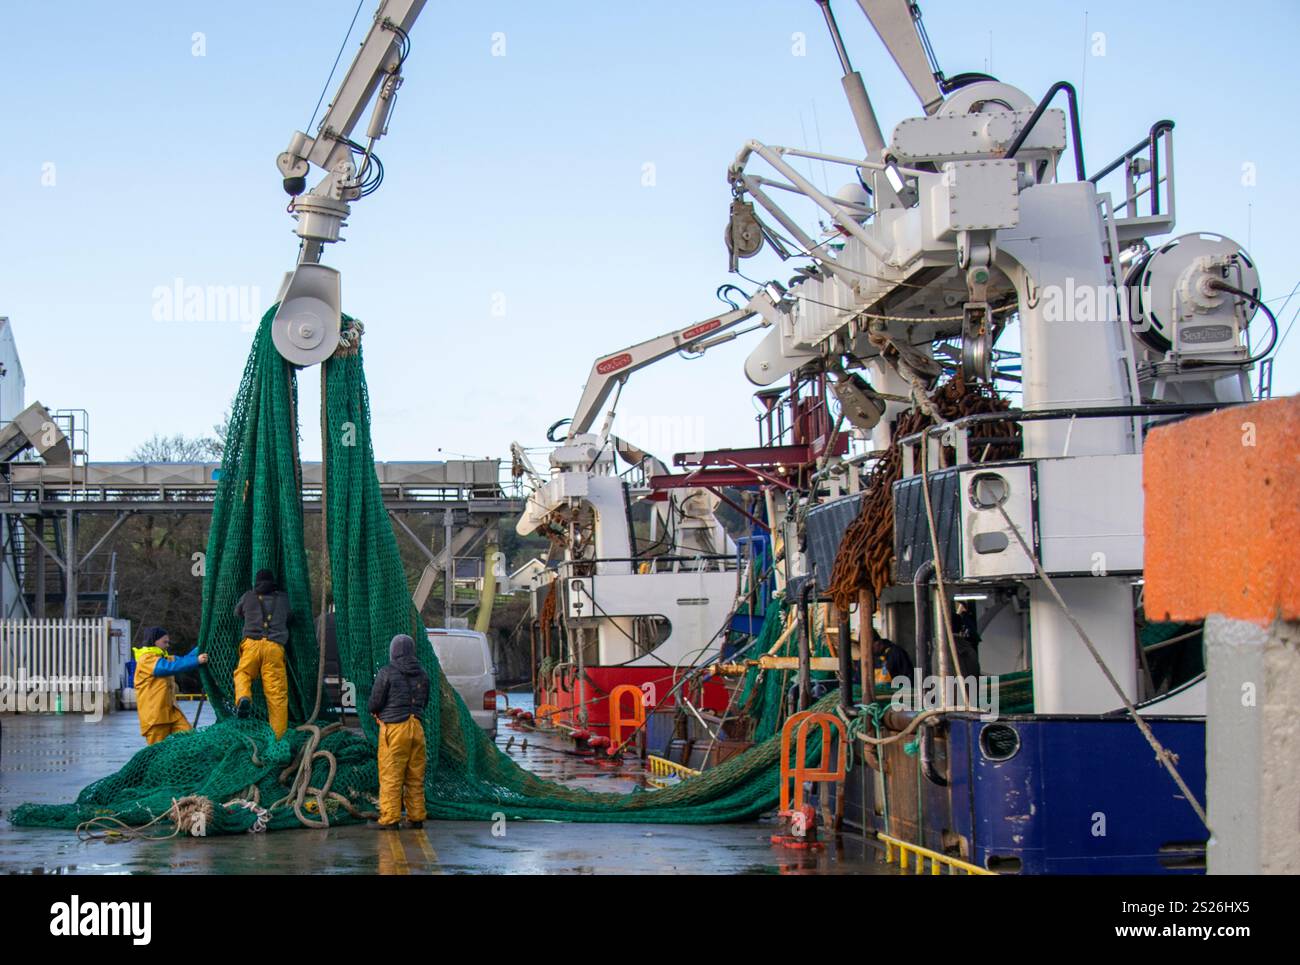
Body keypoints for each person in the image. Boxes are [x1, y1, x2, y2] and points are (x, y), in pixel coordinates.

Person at [367, 633, 430, 830]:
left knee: (391, 775)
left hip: (394, 728)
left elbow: (375, 702)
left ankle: (390, 819)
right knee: (415, 776)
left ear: (393, 652)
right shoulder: (423, 674)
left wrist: (376, 712)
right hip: (416, 727)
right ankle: (416, 817)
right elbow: (424, 701)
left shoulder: (387, 672)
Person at [233, 568, 291, 739]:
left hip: (251, 645)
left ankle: (244, 697)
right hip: (274, 647)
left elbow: (237, 613)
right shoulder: (283, 599)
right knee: (276, 694)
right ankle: (278, 739)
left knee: (243, 673)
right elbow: (290, 617)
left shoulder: (248, 596)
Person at [133, 626, 207, 745]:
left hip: (172, 713)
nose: (168, 645)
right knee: (156, 753)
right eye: (165, 642)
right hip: (155, 718)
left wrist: (203, 647)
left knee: (191, 740)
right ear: (154, 641)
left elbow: (184, 660)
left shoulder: (164, 658)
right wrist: (197, 661)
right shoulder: (146, 660)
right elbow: (168, 668)